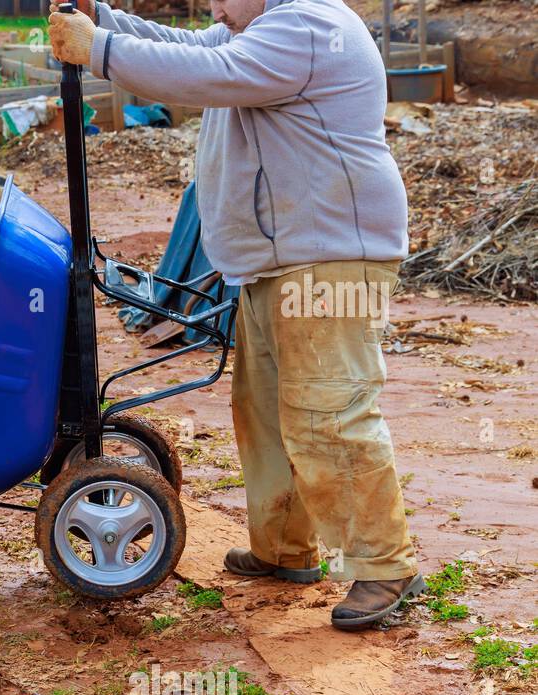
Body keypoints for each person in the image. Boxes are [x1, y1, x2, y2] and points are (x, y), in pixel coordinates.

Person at [49, 0, 423, 630]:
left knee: (329, 411)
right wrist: (104, 19)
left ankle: (384, 566)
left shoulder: (309, 26)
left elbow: (208, 74)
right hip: (282, 261)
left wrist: (99, 49)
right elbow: (188, 46)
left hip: (329, 259)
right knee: (267, 412)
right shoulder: (260, 27)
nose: (215, 6)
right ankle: (285, 549)